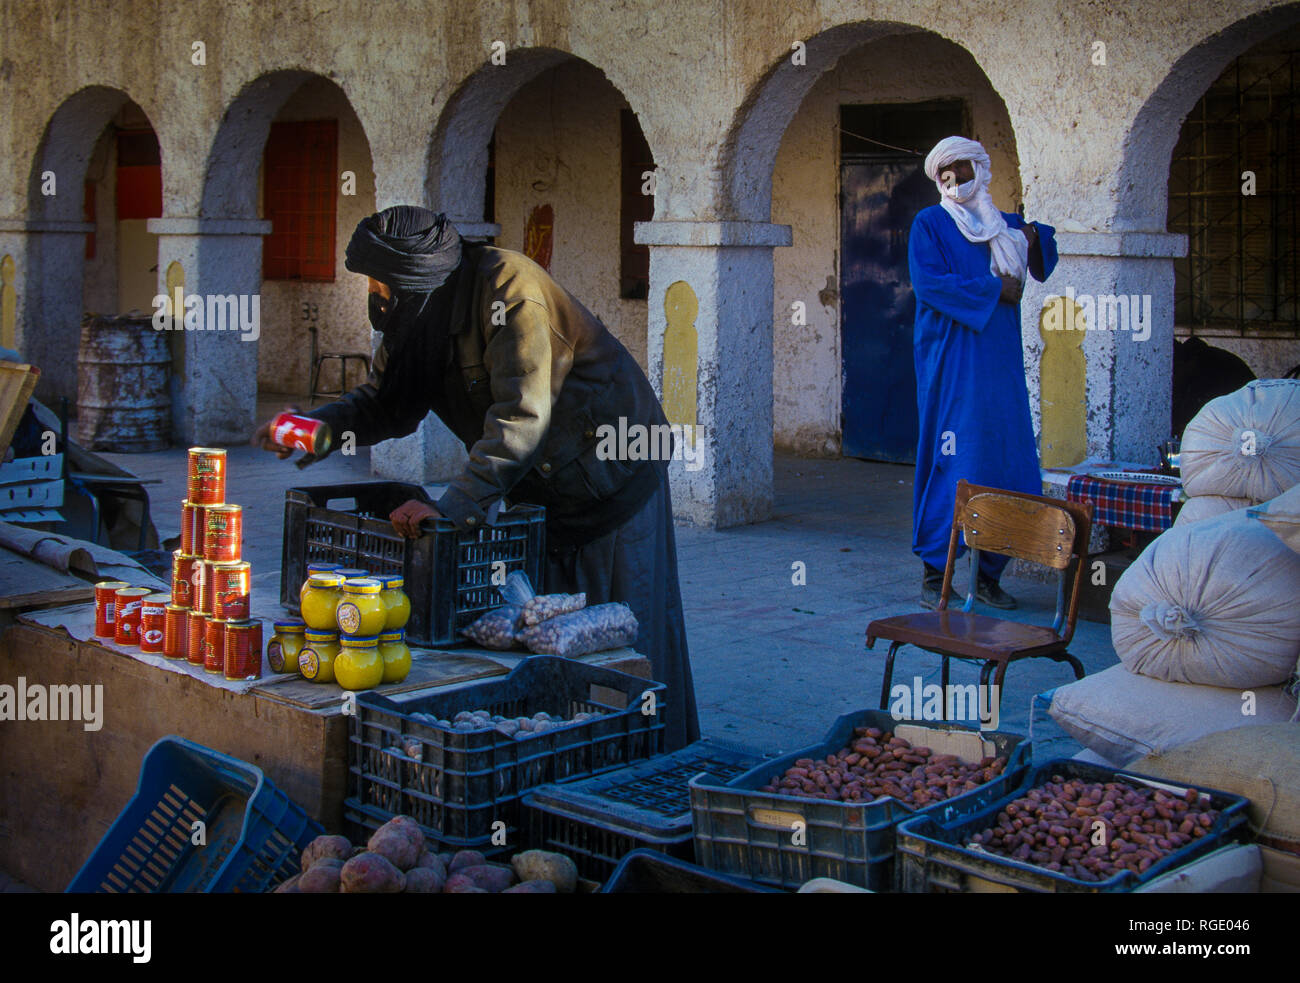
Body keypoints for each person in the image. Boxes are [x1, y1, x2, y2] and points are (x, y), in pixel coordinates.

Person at [253, 206, 700, 749]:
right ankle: (566, 767)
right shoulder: (417, 318)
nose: (374, 295)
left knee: (624, 642)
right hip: (542, 495)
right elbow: (385, 403)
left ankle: (656, 769)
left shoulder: (511, 292)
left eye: (378, 282)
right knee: (549, 642)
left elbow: (521, 419)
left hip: (612, 477)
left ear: (412, 279)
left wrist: (452, 504)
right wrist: (316, 428)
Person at [908, 137, 1058, 610]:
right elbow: (930, 283)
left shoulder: (1005, 226)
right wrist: (995, 290)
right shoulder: (930, 223)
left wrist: (1032, 235)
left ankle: (990, 573)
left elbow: (1042, 251)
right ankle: (938, 572)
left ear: (980, 170)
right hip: (952, 360)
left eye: (962, 173)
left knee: (1008, 461)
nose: (954, 185)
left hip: (1000, 362)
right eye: (944, 178)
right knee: (958, 460)